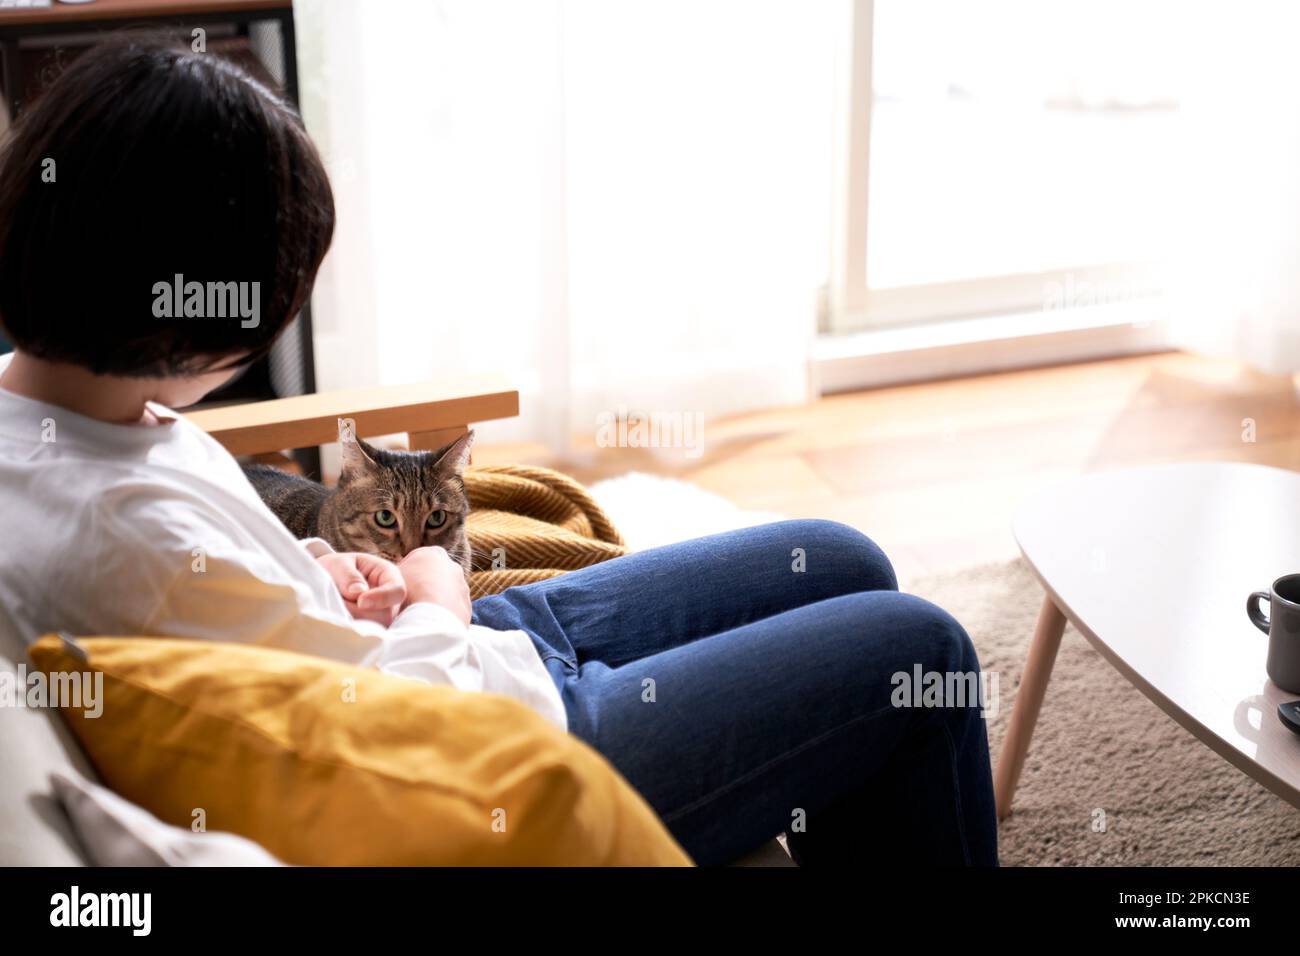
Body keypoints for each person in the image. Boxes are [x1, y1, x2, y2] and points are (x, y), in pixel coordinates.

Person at [0, 37, 996, 866]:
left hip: (461, 650)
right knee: (921, 649)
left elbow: (221, 603)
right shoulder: (128, 529)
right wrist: (434, 587)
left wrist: (311, 567)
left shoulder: (72, 413)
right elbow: (395, 733)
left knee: (839, 557)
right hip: (501, 744)